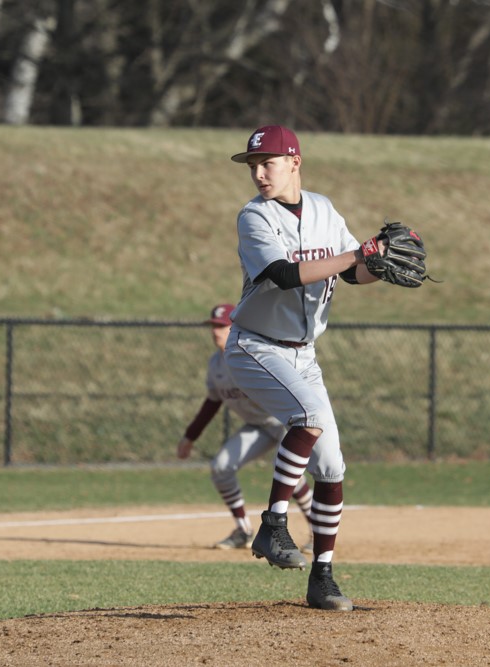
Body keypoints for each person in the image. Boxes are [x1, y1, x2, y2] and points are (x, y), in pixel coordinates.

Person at [223, 125, 389, 612]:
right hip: (256, 346)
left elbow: (351, 273)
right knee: (308, 418)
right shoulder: (254, 217)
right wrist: (359, 253)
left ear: (295, 161)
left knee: (333, 465)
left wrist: (377, 265)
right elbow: (282, 274)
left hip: (303, 353)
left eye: (267, 162)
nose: (258, 172)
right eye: (252, 164)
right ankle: (273, 525)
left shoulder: (323, 208)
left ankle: (322, 578)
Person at [176, 303, 314, 552]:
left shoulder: (250, 354)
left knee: (288, 473)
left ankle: (317, 531)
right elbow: (212, 402)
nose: (215, 331)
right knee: (221, 467)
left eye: (222, 326)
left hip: (284, 421)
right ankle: (243, 530)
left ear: (235, 327)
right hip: (258, 426)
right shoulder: (216, 363)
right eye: (213, 326)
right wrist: (190, 437)